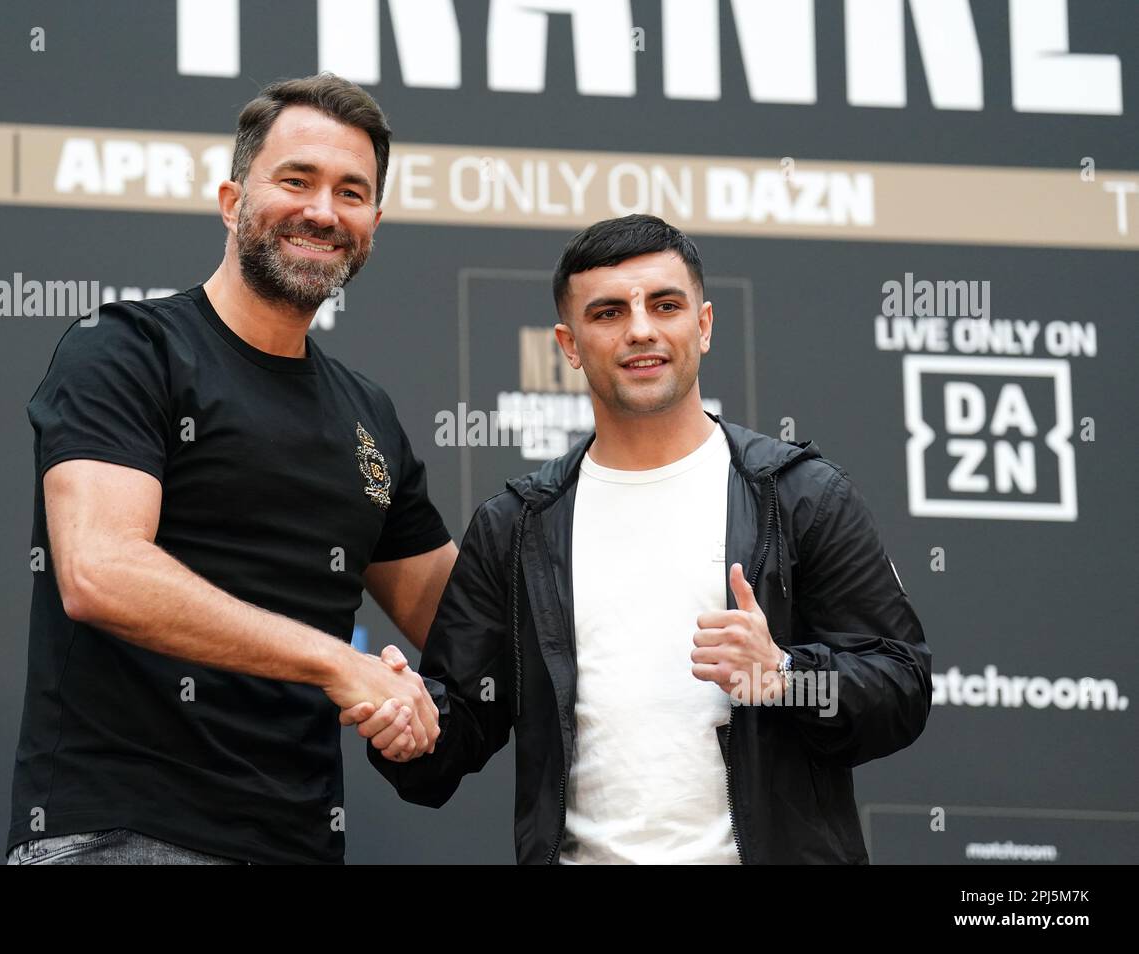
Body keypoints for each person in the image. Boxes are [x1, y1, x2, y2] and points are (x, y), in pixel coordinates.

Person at [353, 214, 933, 864]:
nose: (640, 329)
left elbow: (903, 687)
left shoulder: (802, 496)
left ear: (704, 325)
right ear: (568, 345)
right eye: (607, 313)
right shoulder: (518, 525)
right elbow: (456, 727)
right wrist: (405, 722)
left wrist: (787, 675)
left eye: (665, 304)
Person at [6, 73, 455, 865]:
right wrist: (339, 662)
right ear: (231, 199)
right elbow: (100, 570)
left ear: (374, 225)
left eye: (351, 192)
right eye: (296, 180)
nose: (323, 210)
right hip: (123, 836)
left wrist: (410, 699)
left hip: (300, 845)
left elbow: (469, 629)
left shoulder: (368, 415)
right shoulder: (127, 350)